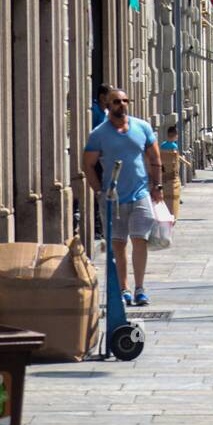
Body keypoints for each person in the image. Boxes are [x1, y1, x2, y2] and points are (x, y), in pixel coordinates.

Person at [83, 89, 163, 308]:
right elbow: (88, 165)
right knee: (118, 245)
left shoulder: (142, 127)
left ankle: (140, 288)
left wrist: (157, 185)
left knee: (140, 240)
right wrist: (99, 191)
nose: (122, 104)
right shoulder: (99, 134)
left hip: (140, 193)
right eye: (117, 102)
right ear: (107, 105)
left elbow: (155, 157)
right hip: (113, 198)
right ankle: (123, 289)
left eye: (125, 101)